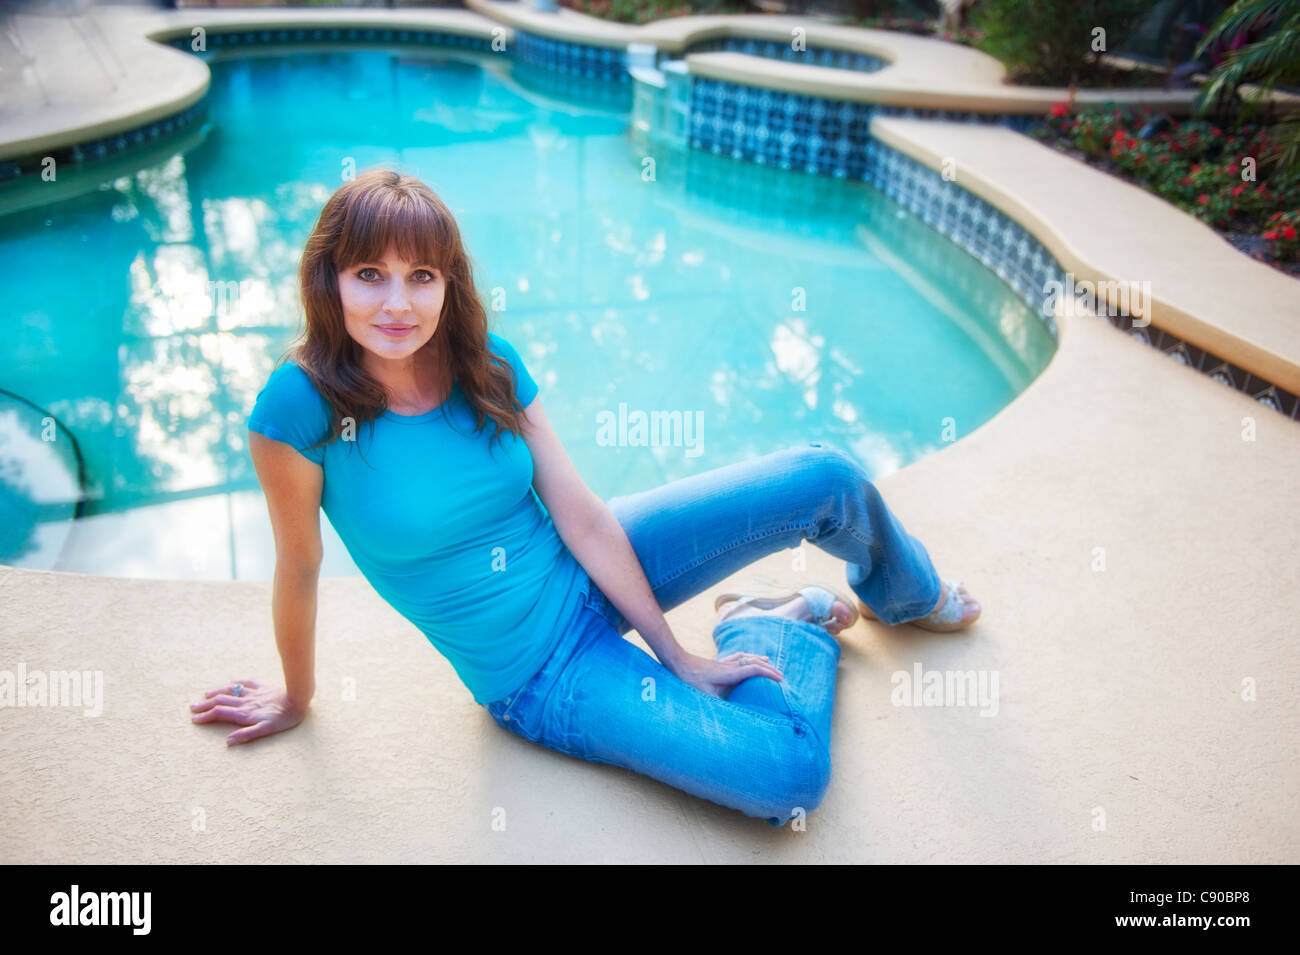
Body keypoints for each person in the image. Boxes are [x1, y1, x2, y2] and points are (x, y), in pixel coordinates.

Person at [191, 167, 981, 827]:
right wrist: (298, 693)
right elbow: (298, 563)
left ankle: (906, 594)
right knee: (787, 777)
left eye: (420, 276)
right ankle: (769, 625)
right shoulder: (298, 408)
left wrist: (675, 653)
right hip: (543, 675)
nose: (397, 304)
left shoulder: (484, 361)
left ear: (447, 281)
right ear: (328, 277)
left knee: (824, 476)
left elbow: (580, 513)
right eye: (370, 275)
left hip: (592, 562)